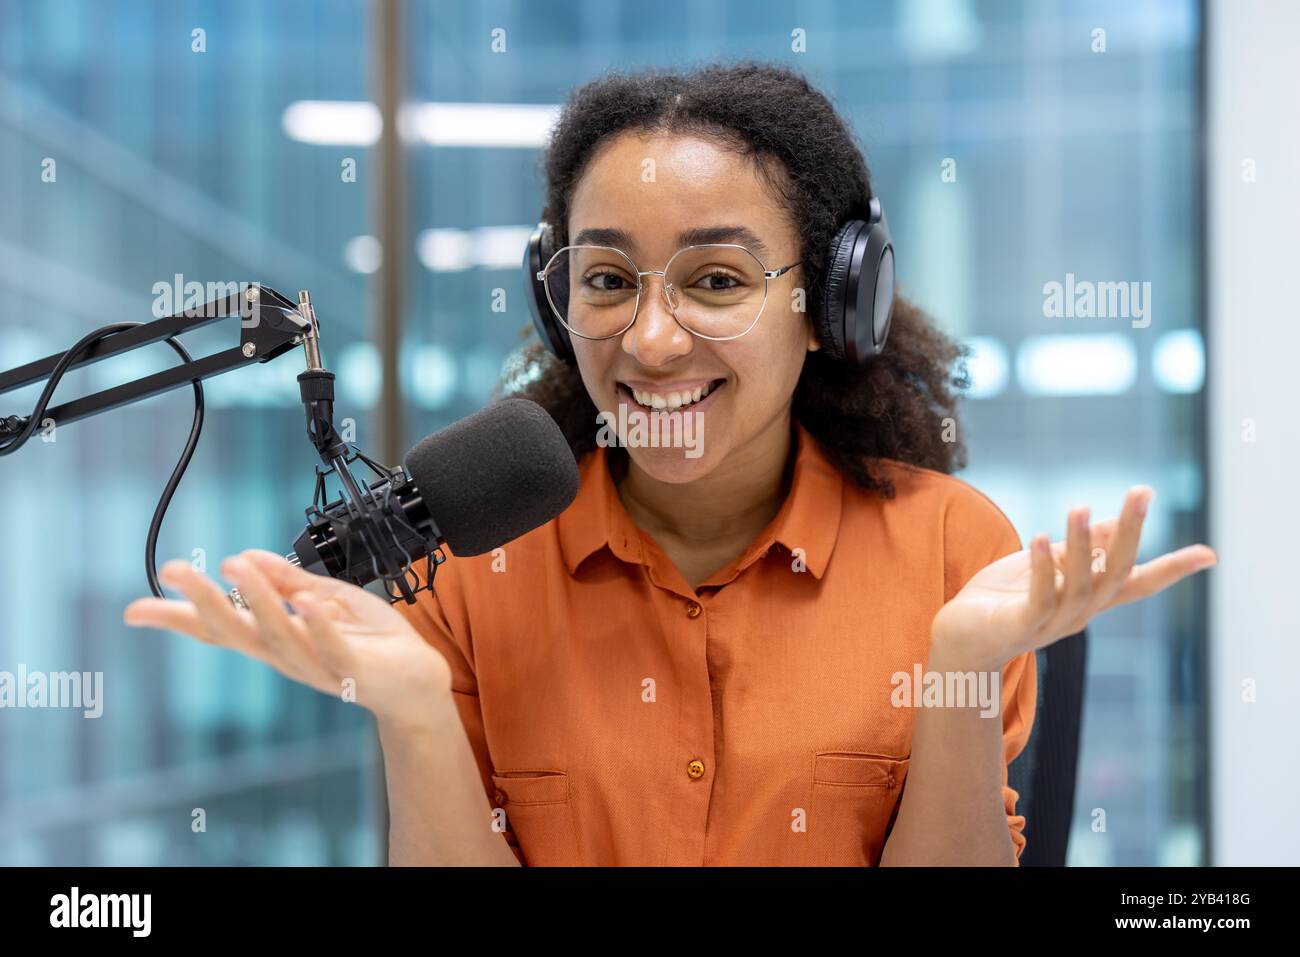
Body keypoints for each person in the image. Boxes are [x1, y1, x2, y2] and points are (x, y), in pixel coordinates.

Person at [123, 62, 1216, 866]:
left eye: (715, 283)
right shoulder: (469, 569)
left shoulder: (950, 552)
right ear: (558, 306)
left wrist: (965, 659)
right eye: (606, 281)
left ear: (831, 304)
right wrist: (410, 709)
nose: (649, 342)